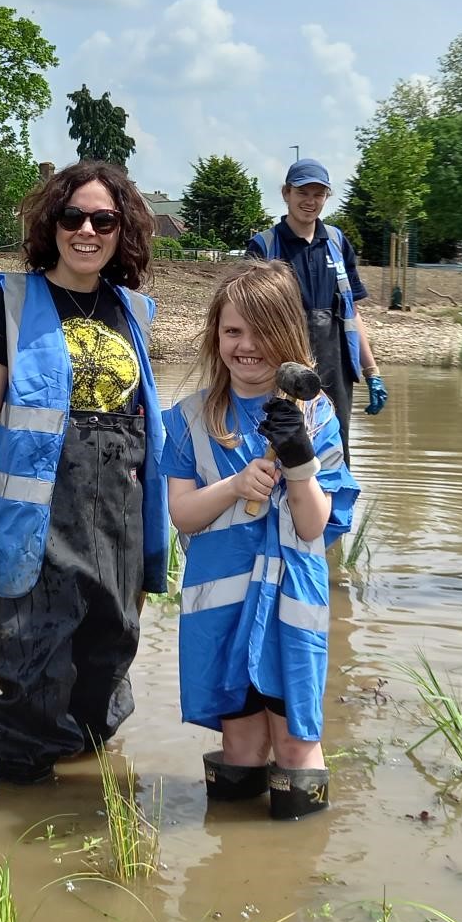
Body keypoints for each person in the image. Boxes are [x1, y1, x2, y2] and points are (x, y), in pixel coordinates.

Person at [0, 161, 168, 786]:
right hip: (34, 520)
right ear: (52, 222)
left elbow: (146, 429)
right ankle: (18, 825)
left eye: (104, 218)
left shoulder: (135, 311)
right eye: (74, 217)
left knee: (106, 663)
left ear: (124, 229)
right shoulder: (5, 301)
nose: (87, 231)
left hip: (117, 522)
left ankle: (87, 819)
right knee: (32, 668)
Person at [163, 262, 358, 820]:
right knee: (240, 747)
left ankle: (295, 867)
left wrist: (299, 461)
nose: (246, 347)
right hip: (220, 612)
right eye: (232, 332)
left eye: (262, 332)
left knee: (295, 742)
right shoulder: (189, 418)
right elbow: (183, 516)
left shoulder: (314, 415)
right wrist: (233, 484)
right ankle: (235, 870)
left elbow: (316, 525)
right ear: (215, 336)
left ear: (290, 338)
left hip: (290, 611)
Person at [245, 159, 387, 462]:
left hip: (335, 363)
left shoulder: (336, 242)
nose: (310, 201)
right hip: (279, 361)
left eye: (318, 194)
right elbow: (244, 316)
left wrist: (372, 370)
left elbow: (352, 313)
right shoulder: (264, 246)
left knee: (335, 444)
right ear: (286, 193)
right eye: (303, 192)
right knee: (280, 445)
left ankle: (335, 509)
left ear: (326, 198)